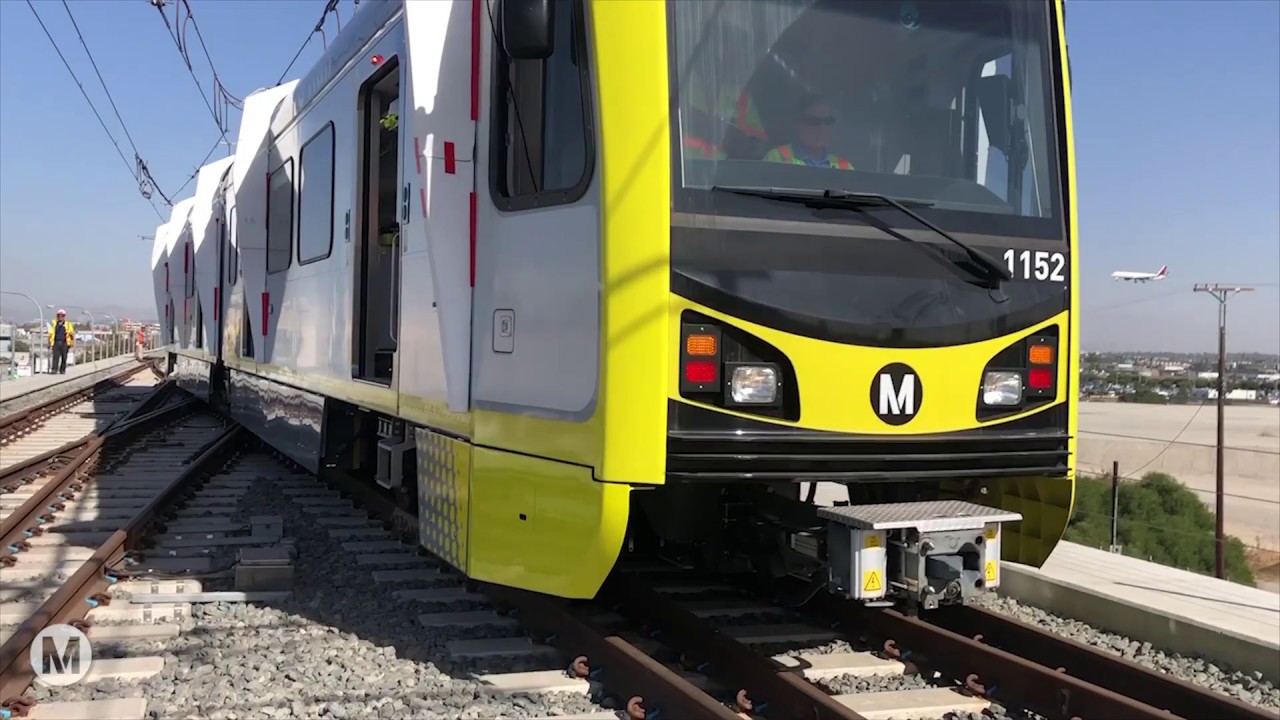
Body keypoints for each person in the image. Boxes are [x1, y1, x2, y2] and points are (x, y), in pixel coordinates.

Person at [762, 93, 854, 170]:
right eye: (814, 121)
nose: (822, 128)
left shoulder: (845, 168)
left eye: (827, 121)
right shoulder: (777, 158)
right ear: (797, 124)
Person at [48, 309, 75, 374]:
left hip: (65, 343)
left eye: (62, 315)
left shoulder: (68, 324)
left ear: (64, 316)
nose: (60, 317)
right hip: (56, 342)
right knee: (55, 357)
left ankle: (62, 370)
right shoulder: (54, 324)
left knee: (64, 357)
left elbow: (72, 334)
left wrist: (72, 343)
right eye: (59, 315)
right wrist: (49, 343)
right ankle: (54, 369)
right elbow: (50, 334)